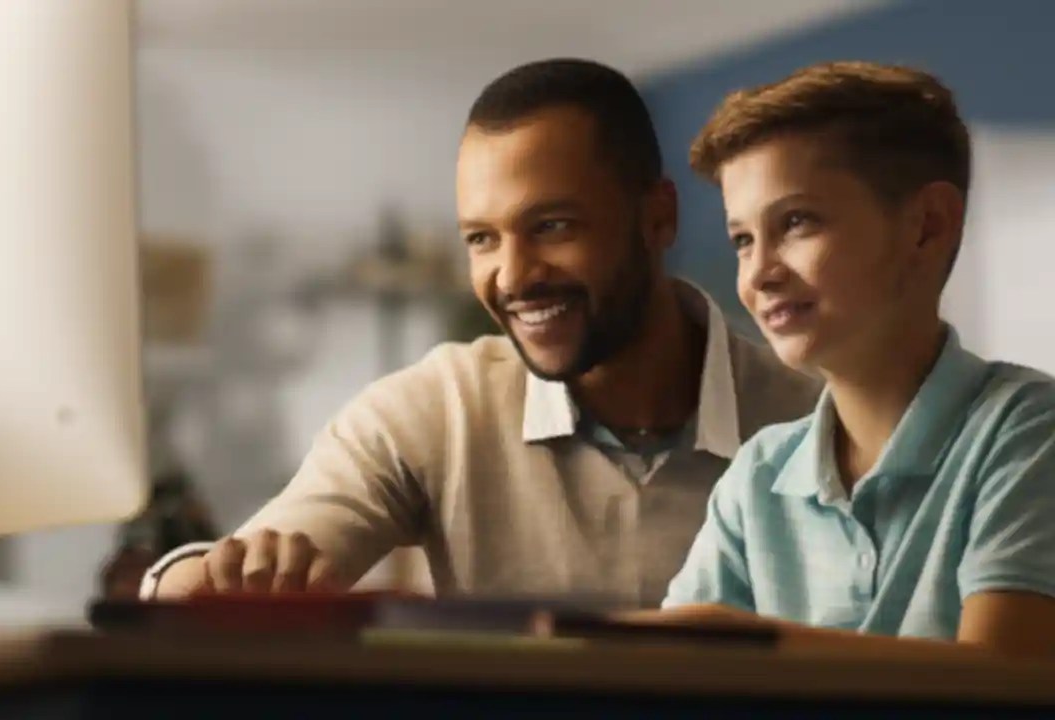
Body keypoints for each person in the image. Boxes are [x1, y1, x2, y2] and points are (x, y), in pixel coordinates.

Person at [142, 59, 820, 605]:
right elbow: (240, 571)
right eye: (482, 239)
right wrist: (207, 579)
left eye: (552, 226)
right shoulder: (435, 411)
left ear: (658, 219)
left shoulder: (813, 421)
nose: (514, 276)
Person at [650, 61, 1055, 659]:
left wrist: (751, 645)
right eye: (742, 239)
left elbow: (1001, 680)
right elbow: (663, 678)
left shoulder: (1026, 433)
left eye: (796, 222)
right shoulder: (756, 478)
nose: (759, 272)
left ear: (927, 227)